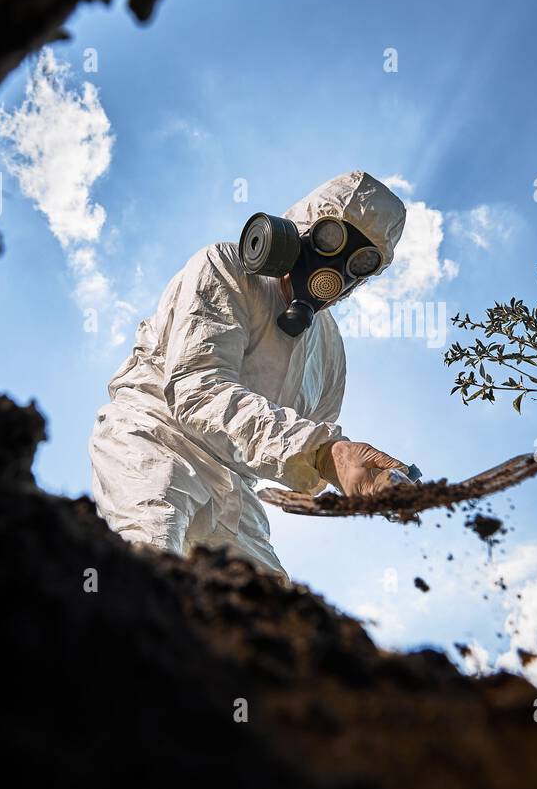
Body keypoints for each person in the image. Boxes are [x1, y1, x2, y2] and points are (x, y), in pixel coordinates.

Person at [89, 170, 410, 579]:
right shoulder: (225, 267)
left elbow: (304, 471)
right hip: (156, 439)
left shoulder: (329, 352)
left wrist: (345, 471)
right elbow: (199, 391)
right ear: (302, 228)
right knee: (146, 565)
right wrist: (326, 453)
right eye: (333, 239)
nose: (339, 267)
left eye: (363, 262)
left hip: (235, 485)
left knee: (272, 611)